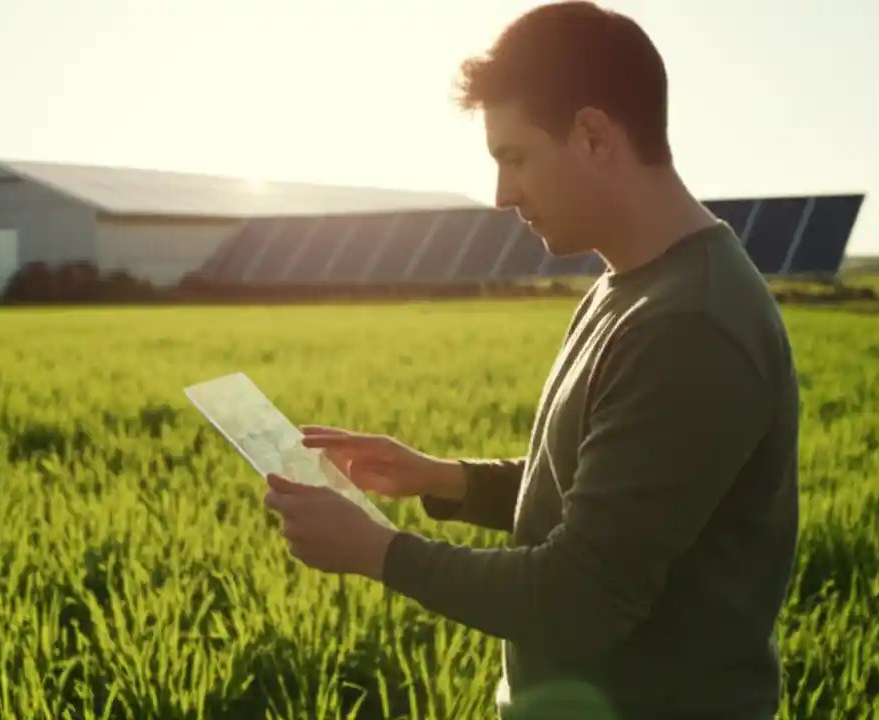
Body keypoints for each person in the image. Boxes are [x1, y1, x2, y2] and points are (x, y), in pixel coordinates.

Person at [262, 2, 801, 718]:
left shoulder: (690, 324)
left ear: (592, 135)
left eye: (514, 157)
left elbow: (580, 599)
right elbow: (599, 488)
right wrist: (443, 480)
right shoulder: (632, 288)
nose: (502, 194)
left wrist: (378, 552)